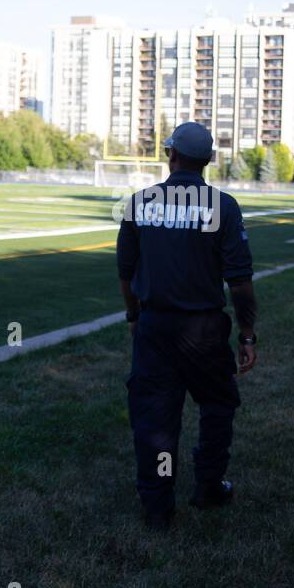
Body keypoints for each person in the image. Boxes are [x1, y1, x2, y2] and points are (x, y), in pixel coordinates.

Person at [115, 122, 258, 531]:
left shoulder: (139, 203)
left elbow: (125, 273)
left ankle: (158, 506)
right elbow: (240, 281)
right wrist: (247, 335)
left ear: (170, 154)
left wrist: (132, 316)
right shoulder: (223, 207)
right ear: (209, 161)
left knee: (155, 418)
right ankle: (209, 485)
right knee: (216, 407)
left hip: (155, 327)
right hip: (205, 330)